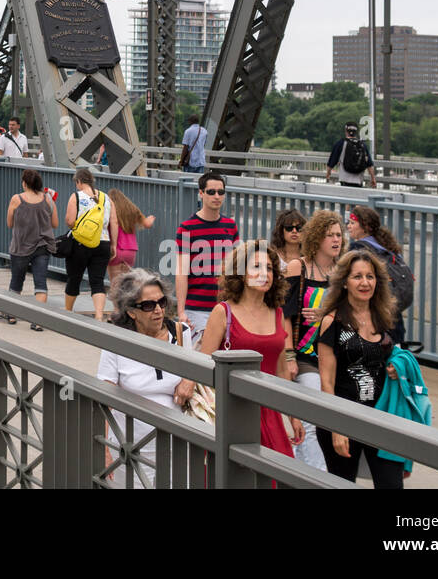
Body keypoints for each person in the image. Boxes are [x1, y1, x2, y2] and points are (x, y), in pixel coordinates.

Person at [195, 240, 303, 459]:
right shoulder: (222, 312)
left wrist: (293, 415)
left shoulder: (278, 314)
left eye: (269, 268)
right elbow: (203, 367)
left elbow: (283, 371)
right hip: (232, 411)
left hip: (271, 413)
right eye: (256, 267)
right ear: (241, 273)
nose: (264, 273)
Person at [99, 269, 196, 487]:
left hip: (177, 444)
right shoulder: (116, 342)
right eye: (149, 305)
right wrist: (104, 448)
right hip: (131, 447)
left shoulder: (182, 334)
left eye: (162, 302)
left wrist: (189, 381)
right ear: (132, 312)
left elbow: (194, 373)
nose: (159, 310)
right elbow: (103, 398)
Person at [315, 249, 403, 488]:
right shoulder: (332, 322)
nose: (365, 282)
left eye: (370, 276)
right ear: (344, 282)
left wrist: (394, 368)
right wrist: (336, 429)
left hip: (381, 418)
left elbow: (391, 357)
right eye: (357, 276)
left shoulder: (384, 317)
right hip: (344, 417)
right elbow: (327, 382)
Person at [283, 209, 343, 473]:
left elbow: (353, 313)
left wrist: (326, 313)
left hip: (334, 354)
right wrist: (288, 356)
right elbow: (284, 313)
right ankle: (315, 476)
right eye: (330, 234)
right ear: (317, 237)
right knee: (309, 416)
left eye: (339, 234)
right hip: (304, 354)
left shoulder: (343, 272)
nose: (336, 240)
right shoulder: (299, 267)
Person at [174, 171, 238, 345]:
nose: (216, 196)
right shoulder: (186, 228)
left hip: (227, 307)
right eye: (211, 192)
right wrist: (181, 311)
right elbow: (181, 273)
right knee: (198, 361)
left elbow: (237, 269)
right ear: (201, 193)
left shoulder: (230, 226)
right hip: (196, 308)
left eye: (221, 192)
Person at [347, 204, 412, 344]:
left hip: (374, 318)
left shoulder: (358, 249)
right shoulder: (386, 246)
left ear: (365, 227)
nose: (348, 226)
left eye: (352, 223)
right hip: (394, 318)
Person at [5, 169, 58, 329]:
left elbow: (9, 224)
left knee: (16, 282)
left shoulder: (17, 199)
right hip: (42, 246)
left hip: (21, 246)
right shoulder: (47, 199)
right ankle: (37, 321)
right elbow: (54, 224)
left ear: (25, 183)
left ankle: (12, 315)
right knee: (40, 284)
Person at [62, 168, 113, 321]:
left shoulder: (76, 196)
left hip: (80, 243)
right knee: (97, 281)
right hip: (103, 242)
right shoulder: (105, 198)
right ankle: (98, 314)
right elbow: (114, 222)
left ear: (79, 181)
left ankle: (68, 311)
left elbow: (70, 221)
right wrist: (114, 245)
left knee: (74, 277)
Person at [106, 189, 152, 289]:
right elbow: (147, 224)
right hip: (130, 251)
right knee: (126, 285)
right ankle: (126, 304)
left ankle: (117, 305)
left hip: (116, 250)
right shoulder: (131, 210)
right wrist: (151, 218)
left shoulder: (109, 210)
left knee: (115, 285)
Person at [325, 122, 376, 188]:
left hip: (345, 180)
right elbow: (369, 164)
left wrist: (328, 173)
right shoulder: (363, 145)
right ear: (356, 132)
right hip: (359, 181)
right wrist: (373, 178)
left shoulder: (341, 143)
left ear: (346, 131)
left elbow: (332, 161)